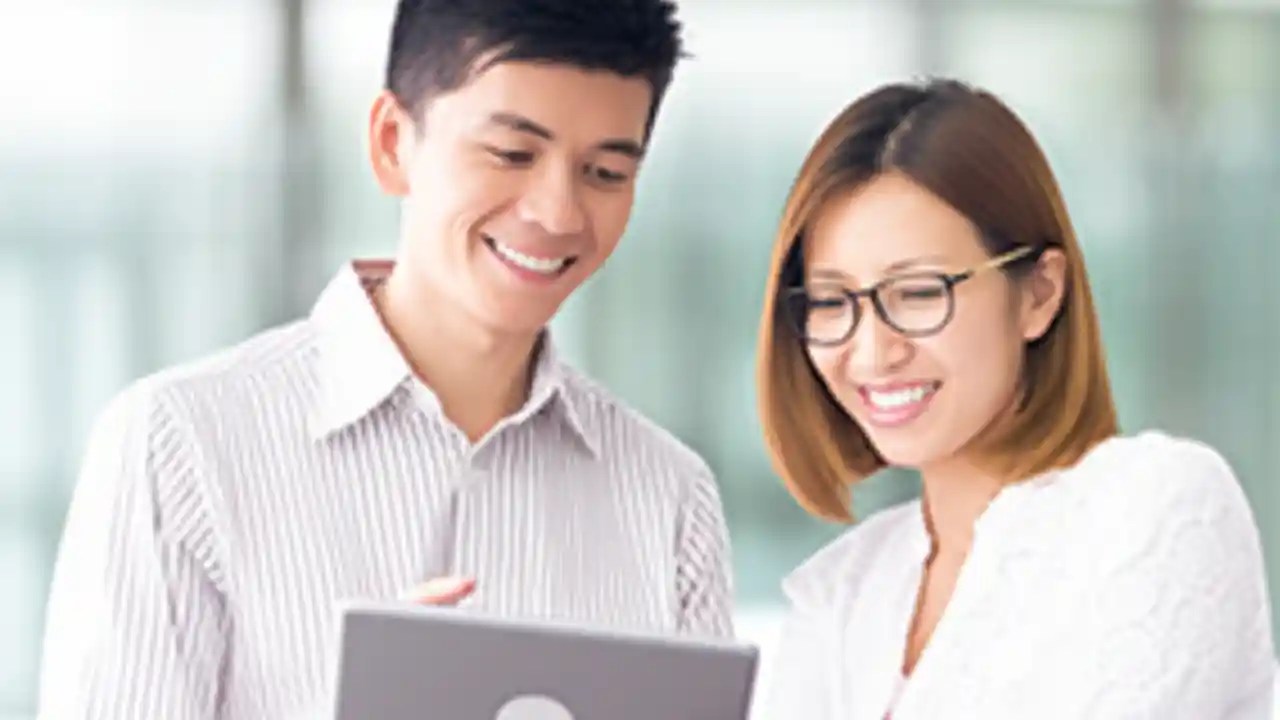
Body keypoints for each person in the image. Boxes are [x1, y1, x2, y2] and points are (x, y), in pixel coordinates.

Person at [38, 1, 734, 717]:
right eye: (512, 154)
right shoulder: (180, 447)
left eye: (605, 172)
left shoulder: (669, 498)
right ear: (393, 142)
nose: (558, 213)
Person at [752, 78, 1275, 719]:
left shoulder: (1157, 505)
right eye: (832, 302)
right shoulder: (841, 590)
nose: (871, 353)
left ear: (1038, 293)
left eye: (918, 293)